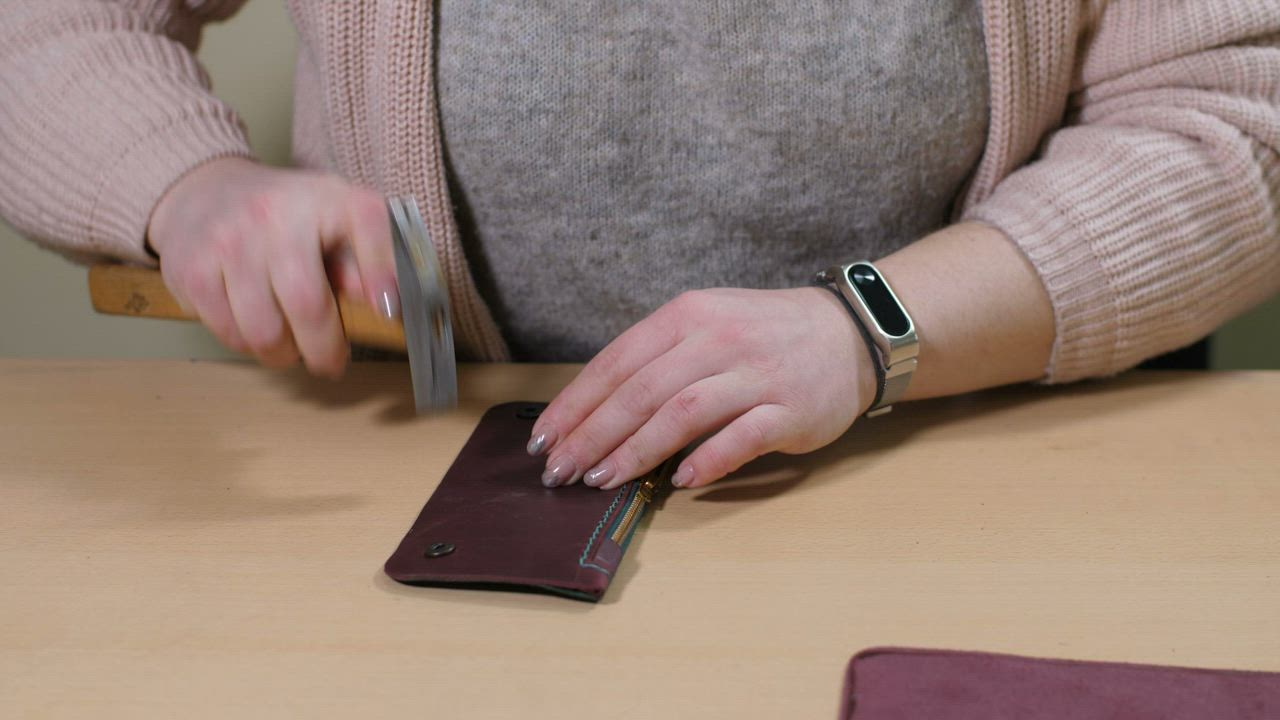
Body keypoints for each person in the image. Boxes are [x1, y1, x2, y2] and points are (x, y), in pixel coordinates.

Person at [1, 2, 1277, 492]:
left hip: (944, 468)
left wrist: (870, 328)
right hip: (391, 469)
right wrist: (190, 182)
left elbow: (1233, 118)